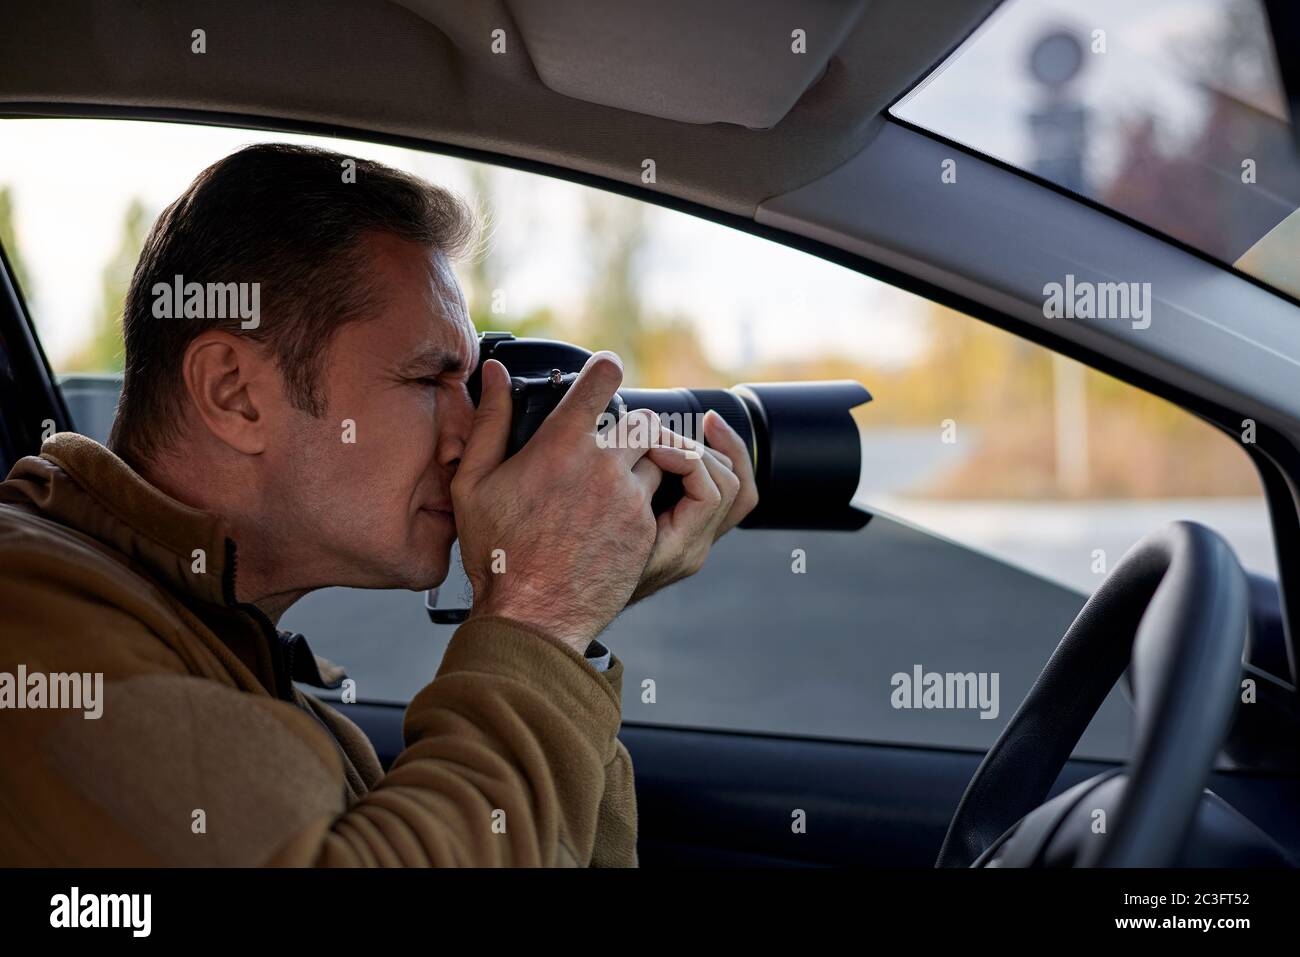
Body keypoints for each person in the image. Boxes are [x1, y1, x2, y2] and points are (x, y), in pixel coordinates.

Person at [0, 144, 757, 866]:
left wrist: (570, 622)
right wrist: (538, 615)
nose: (468, 435)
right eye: (431, 381)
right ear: (234, 392)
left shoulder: (244, 666)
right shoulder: (27, 613)